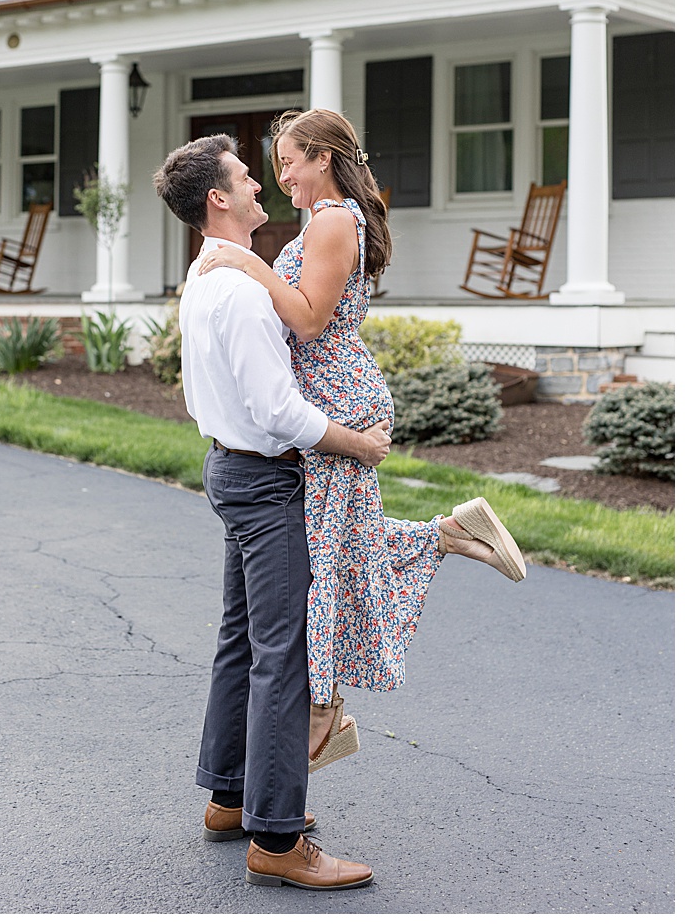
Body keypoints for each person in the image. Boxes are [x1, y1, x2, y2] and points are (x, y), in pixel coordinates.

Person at [196, 109, 525, 769]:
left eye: (289, 160)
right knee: (339, 547)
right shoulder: (334, 219)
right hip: (335, 390)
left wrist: (246, 262)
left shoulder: (335, 220)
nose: (281, 174)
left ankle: (324, 708)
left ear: (321, 156)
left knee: (330, 561)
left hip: (339, 397)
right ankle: (448, 534)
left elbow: (311, 320)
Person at [153, 132, 386, 890]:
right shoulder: (245, 292)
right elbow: (280, 411)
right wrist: (355, 443)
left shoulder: (204, 278)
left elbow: (200, 397)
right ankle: (278, 841)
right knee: (282, 658)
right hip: (265, 479)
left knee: (241, 641)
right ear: (219, 198)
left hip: (228, 468)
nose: (263, 184)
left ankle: (230, 796)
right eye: (248, 177)